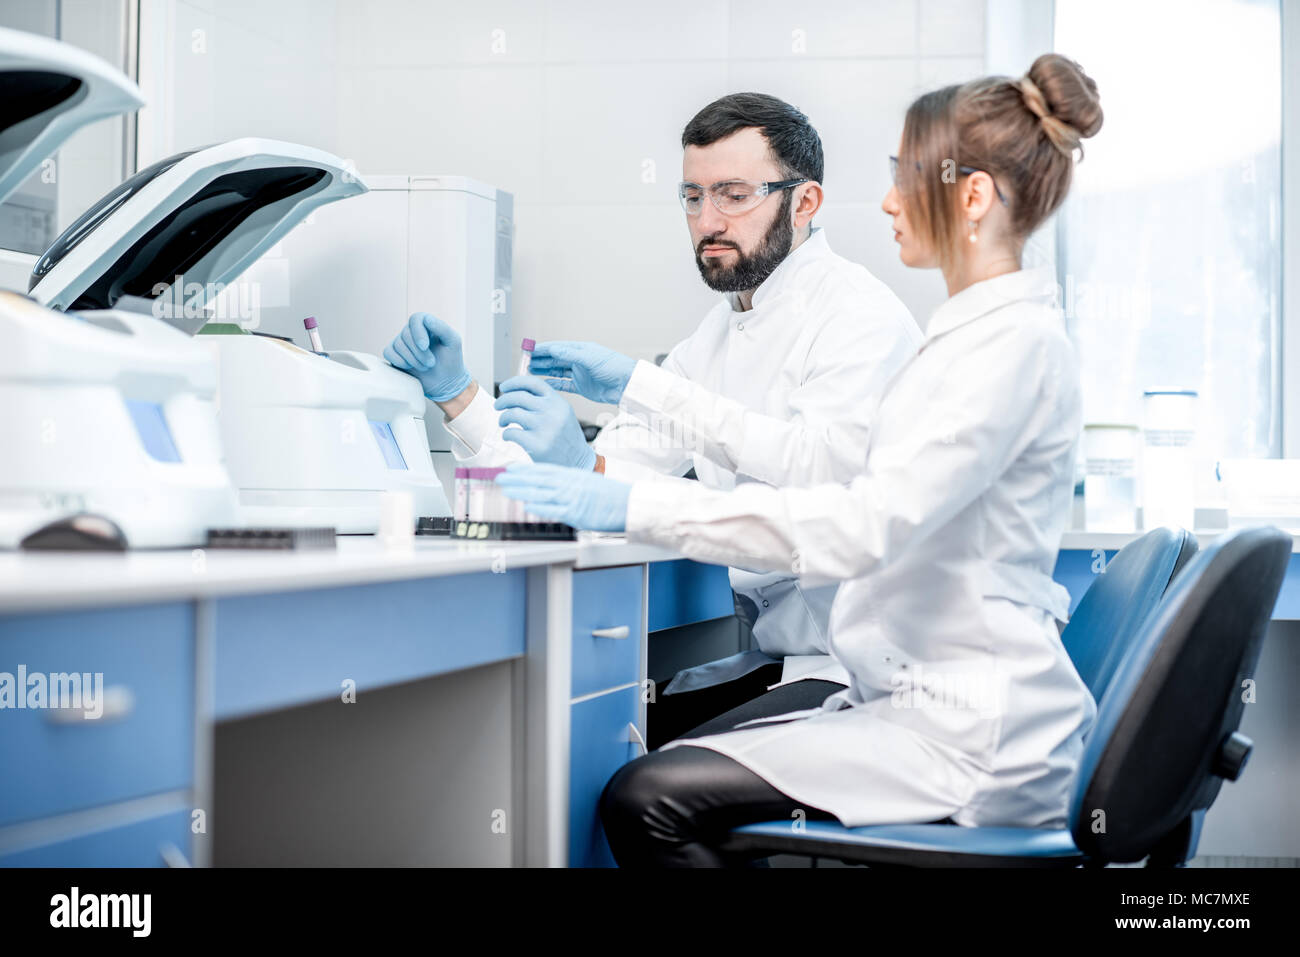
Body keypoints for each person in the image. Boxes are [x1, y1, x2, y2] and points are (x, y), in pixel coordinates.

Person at [495, 53, 1104, 866]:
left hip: (966, 734)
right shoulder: (973, 336)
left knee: (645, 798)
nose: (888, 200)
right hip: (912, 701)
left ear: (972, 195)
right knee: (649, 777)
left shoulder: (1003, 349)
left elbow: (852, 519)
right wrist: (636, 397)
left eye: (906, 176)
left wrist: (634, 506)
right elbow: (813, 465)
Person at [384, 93, 920, 746]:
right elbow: (582, 483)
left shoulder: (859, 317)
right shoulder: (718, 332)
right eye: (692, 197)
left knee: (633, 776)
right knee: (588, 737)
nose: (707, 220)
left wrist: (637, 390)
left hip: (861, 672)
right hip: (777, 657)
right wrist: (460, 398)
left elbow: (814, 479)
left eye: (733, 195)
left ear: (805, 203)